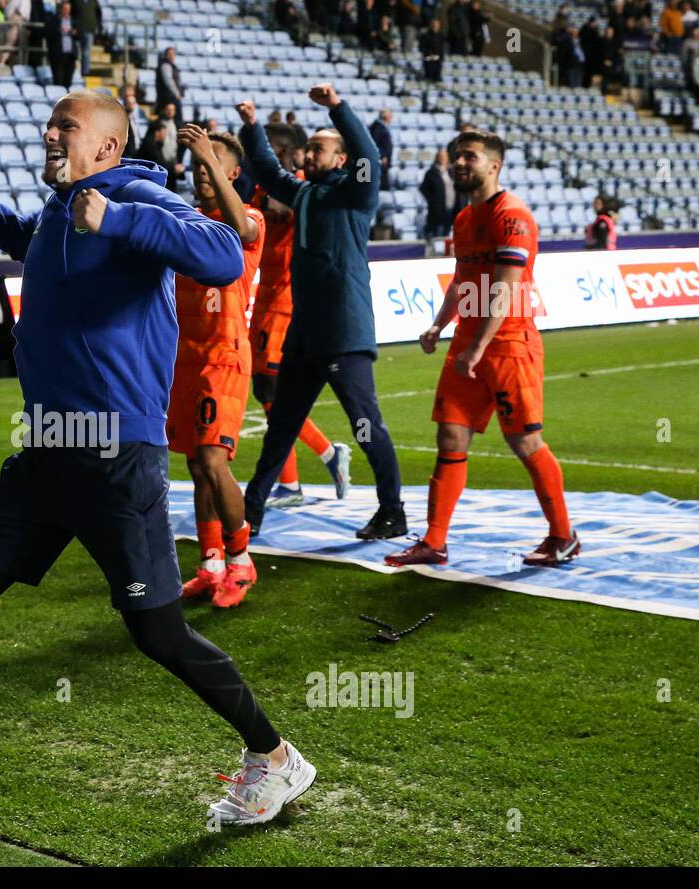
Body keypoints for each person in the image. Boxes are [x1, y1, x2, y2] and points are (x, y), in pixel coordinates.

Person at [0, 90, 317, 833]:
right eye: (50, 124)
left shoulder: (137, 193)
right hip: (48, 451)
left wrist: (117, 218)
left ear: (107, 147)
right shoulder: (62, 205)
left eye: (66, 127)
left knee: (158, 634)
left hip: (117, 456)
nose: (50, 134)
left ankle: (274, 758)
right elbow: (50, 242)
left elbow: (222, 254)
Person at [386, 129, 580, 568]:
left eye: (469, 157)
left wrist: (478, 346)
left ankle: (564, 535)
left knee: (525, 441)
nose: (459, 163)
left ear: (494, 165)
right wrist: (439, 324)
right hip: (468, 343)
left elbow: (507, 289)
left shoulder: (513, 215)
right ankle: (434, 542)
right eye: (456, 157)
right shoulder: (463, 218)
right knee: (451, 435)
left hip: (508, 344)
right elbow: (462, 279)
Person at [236, 87, 406, 541]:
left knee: (365, 425)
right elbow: (270, 174)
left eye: (318, 148)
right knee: (281, 428)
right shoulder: (305, 194)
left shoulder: (357, 192)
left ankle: (393, 510)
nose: (307, 154)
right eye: (308, 146)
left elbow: (368, 150)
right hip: (305, 333)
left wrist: (337, 109)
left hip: (344, 331)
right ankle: (251, 511)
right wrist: (252, 129)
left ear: (342, 159)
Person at [167, 124, 268, 608]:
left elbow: (242, 223)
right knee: (194, 464)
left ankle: (241, 559)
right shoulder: (186, 224)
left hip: (224, 356)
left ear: (232, 173)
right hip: (184, 359)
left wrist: (206, 153)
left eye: (213, 164)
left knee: (213, 459)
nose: (203, 172)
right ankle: (209, 564)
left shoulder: (247, 220)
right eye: (199, 164)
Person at [249, 124, 351, 509]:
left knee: (274, 389)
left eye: (272, 149)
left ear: (290, 153)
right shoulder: (263, 188)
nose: (263, 156)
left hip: (289, 299)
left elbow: (282, 206)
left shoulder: (305, 187)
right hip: (264, 295)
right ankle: (321, 458)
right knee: (265, 391)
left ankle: (293, 481)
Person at [137, 100, 185, 189]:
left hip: (171, 165)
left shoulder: (179, 125)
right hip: (161, 166)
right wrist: (174, 168)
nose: (170, 112)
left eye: (172, 110)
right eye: (168, 109)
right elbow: (155, 157)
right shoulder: (154, 130)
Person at [420, 146, 461, 239]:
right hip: (437, 211)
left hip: (451, 209)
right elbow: (423, 189)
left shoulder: (451, 172)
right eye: (441, 156)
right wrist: (433, 200)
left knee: (446, 235)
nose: (443, 159)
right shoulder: (431, 173)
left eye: (445, 156)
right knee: (438, 236)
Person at [45, 0, 78, 87]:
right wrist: (58, 30)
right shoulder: (53, 20)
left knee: (68, 82)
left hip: (70, 56)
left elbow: (80, 36)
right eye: (65, 9)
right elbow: (47, 33)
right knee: (58, 81)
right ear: (61, 9)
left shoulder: (74, 21)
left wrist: (74, 33)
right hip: (57, 56)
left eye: (68, 9)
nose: (67, 11)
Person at [73, 0, 101, 77]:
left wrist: (96, 25)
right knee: (76, 51)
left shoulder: (94, 1)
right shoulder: (74, 1)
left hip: (90, 29)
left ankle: (85, 71)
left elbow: (98, 13)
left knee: (86, 51)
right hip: (77, 30)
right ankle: (76, 70)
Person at [155, 46, 182, 125]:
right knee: (171, 120)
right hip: (168, 98)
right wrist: (176, 93)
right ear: (166, 55)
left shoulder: (170, 65)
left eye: (173, 54)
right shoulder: (165, 65)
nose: (172, 56)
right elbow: (168, 80)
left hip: (170, 97)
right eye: (170, 54)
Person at [369, 108, 393, 189]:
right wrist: (382, 156)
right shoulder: (377, 127)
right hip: (380, 161)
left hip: (383, 163)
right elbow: (374, 143)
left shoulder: (381, 126)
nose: (391, 118)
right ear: (385, 116)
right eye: (390, 116)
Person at [120, 86, 144, 158]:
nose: (131, 106)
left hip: (139, 152)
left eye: (133, 104)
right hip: (126, 154)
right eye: (128, 103)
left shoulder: (138, 115)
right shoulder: (121, 118)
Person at [421, 17, 445, 81]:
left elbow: (441, 48)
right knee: (429, 77)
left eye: (437, 25)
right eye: (434, 25)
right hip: (428, 59)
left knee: (437, 77)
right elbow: (422, 47)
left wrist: (441, 57)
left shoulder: (441, 36)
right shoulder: (425, 36)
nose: (435, 26)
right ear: (430, 25)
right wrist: (429, 54)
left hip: (437, 60)